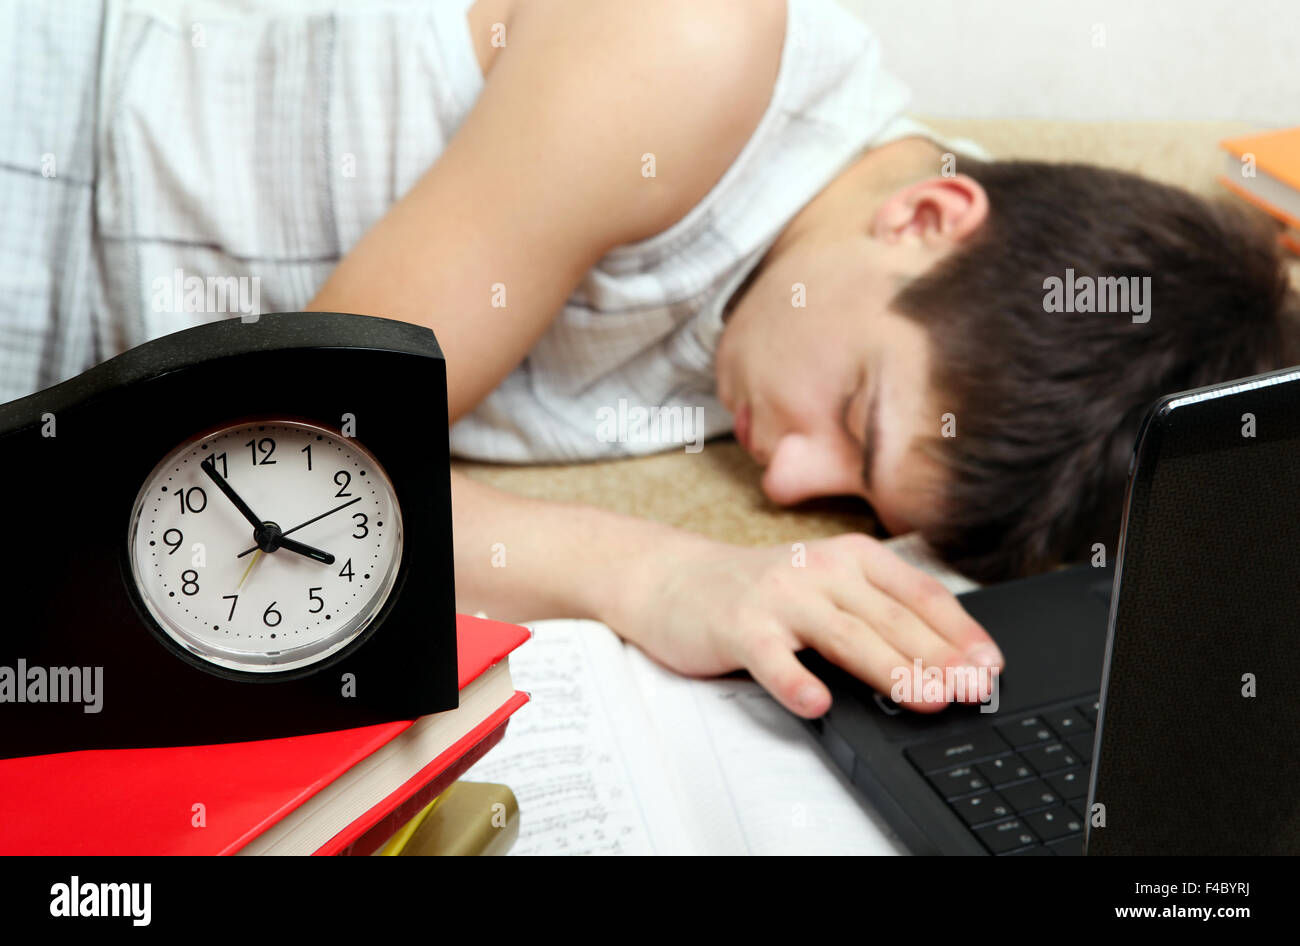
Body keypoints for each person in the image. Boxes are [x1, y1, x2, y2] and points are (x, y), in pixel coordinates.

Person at [5, 0, 1297, 719]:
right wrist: (663, 570)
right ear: (927, 216)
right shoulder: (687, 44)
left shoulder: (834, 289)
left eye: (849, 496)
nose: (784, 479)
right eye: (853, 413)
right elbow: (285, 481)